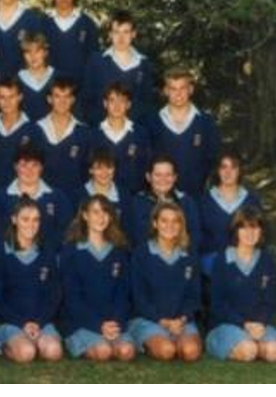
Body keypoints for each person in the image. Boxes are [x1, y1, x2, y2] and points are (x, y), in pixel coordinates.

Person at [59, 196, 136, 362]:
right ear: (85, 215)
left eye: (106, 212)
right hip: (82, 322)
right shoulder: (71, 252)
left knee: (126, 351)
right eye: (95, 212)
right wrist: (98, 325)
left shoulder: (119, 251)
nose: (101, 217)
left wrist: (115, 322)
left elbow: (123, 293)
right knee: (103, 352)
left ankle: (112, 337)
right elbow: (72, 298)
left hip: (113, 322)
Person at [128, 201, 203, 362]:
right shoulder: (141, 254)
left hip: (181, 321)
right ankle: (154, 340)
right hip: (148, 320)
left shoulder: (189, 255)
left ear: (181, 225)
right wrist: (163, 322)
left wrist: (181, 319)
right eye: (164, 220)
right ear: (155, 223)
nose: (170, 225)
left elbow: (194, 297)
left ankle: (177, 340)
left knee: (191, 352)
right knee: (167, 351)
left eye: (175, 221)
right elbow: (139, 298)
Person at [205, 207, 276, 362]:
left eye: (254, 227)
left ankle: (254, 345)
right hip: (228, 324)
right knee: (248, 351)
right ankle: (219, 344)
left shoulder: (266, 261)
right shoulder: (222, 260)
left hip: (258, 326)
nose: (250, 233)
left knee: (274, 352)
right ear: (236, 231)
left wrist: (260, 323)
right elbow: (217, 305)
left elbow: (271, 301)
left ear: (261, 231)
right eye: (244, 228)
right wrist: (244, 324)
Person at [0, 197, 63, 363]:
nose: (31, 225)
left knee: (54, 352)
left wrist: (38, 321)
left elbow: (54, 294)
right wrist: (21, 323)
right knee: (26, 353)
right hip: (10, 321)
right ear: (14, 219)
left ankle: (35, 342)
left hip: (40, 321)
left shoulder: (46, 252)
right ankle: (5, 346)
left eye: (36, 220)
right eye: (25, 219)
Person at [0, 144, 73, 252]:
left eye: (35, 165)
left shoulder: (58, 197)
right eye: (24, 165)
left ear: (41, 167)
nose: (29, 170)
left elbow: (65, 232)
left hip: (48, 259)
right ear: (15, 167)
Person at [148, 68, 220, 198]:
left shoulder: (206, 122)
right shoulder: (152, 123)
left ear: (191, 89)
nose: (178, 94)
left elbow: (213, 160)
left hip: (197, 197)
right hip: (161, 199)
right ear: (166, 91)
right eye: (173, 89)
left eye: (183, 88)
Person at [82, 10, 156, 125]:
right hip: (100, 130)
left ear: (133, 34)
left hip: (133, 131)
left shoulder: (144, 64)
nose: (121, 38)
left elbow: (147, 102)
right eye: (116, 32)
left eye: (126, 32)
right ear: (110, 34)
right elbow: (87, 98)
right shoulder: (96, 61)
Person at [199, 151, 265, 275]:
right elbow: (197, 238)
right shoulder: (203, 201)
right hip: (212, 262)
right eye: (223, 167)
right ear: (217, 171)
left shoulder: (251, 200)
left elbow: (260, 236)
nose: (228, 172)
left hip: (245, 259)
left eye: (233, 167)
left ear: (240, 171)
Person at [126, 155, 204, 256]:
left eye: (168, 175)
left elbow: (195, 235)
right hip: (146, 261)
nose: (163, 179)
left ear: (175, 177)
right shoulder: (136, 203)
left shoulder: (186, 202)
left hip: (180, 259)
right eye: (158, 175)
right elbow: (132, 237)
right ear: (148, 177)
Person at [87, 82, 151, 194]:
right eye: (112, 100)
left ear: (129, 104)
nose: (117, 106)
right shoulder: (93, 134)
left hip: (133, 198)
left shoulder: (141, 134)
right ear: (105, 103)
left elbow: (147, 167)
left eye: (122, 101)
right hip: (100, 198)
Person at [42, 0, 99, 87]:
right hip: (51, 93)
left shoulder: (87, 24)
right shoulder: (43, 24)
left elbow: (94, 62)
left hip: (80, 92)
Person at [33, 78, 90, 195]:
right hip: (41, 198)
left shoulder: (84, 132)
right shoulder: (36, 129)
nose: (62, 101)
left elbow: (87, 171)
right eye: (57, 96)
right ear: (49, 99)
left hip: (74, 198)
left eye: (67, 97)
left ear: (73, 100)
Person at [0, 77, 36, 191]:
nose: (7, 102)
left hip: (22, 195)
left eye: (12, 97)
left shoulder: (33, 130)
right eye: (2, 97)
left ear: (20, 97)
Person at [76, 148, 131, 232]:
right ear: (90, 170)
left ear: (114, 169)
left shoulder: (124, 195)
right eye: (99, 168)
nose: (104, 172)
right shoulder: (77, 195)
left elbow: (127, 230)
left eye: (109, 167)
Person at [17, 31, 56, 121]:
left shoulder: (58, 78)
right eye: (28, 52)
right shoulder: (16, 80)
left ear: (45, 52)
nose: (33, 56)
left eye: (37, 51)